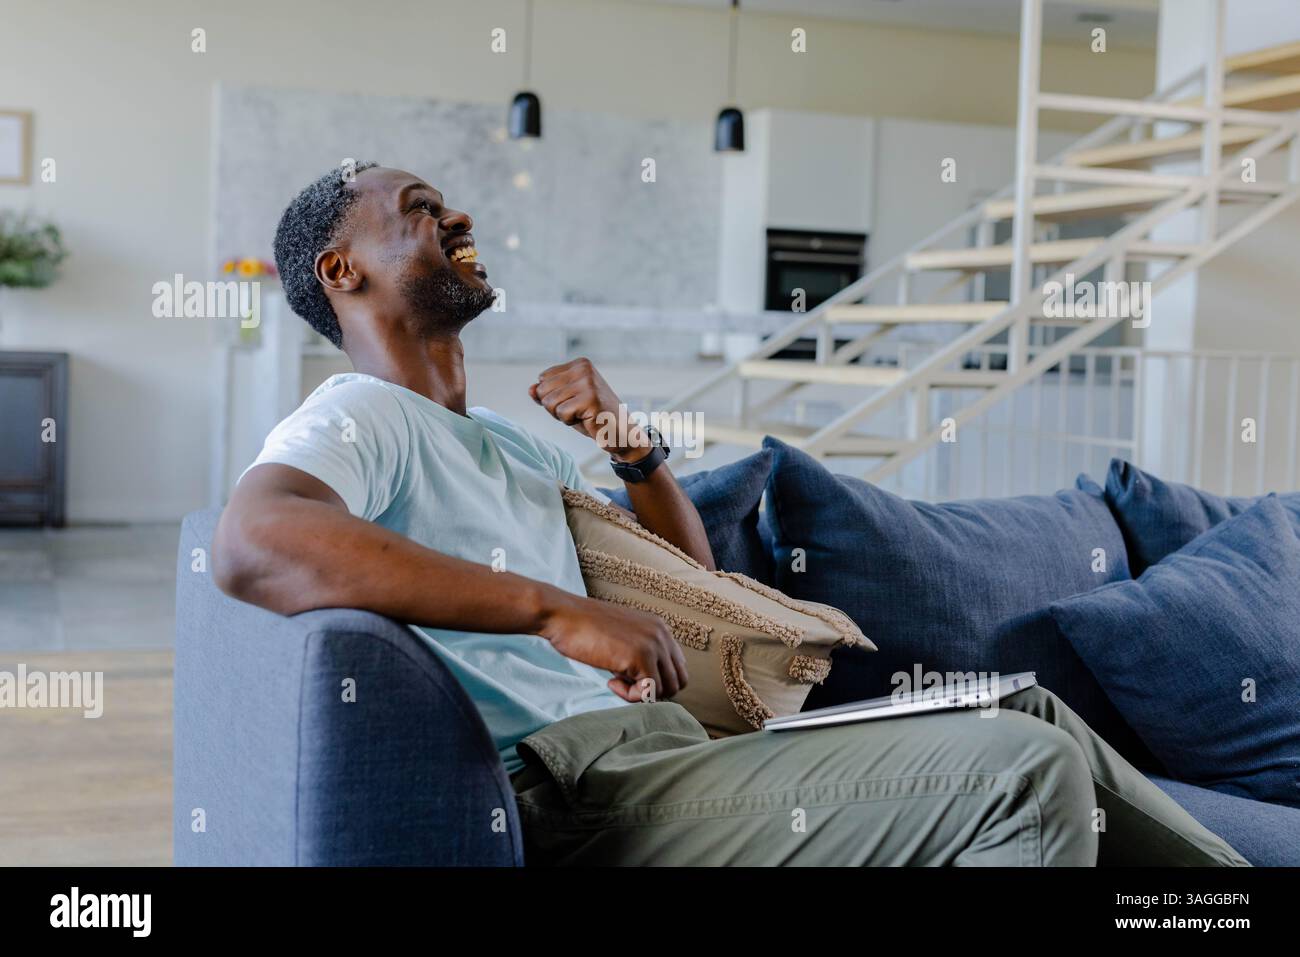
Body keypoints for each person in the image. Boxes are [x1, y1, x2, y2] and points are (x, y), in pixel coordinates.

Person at [212, 164, 1246, 866]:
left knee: (1029, 714)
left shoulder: (501, 438)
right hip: (579, 787)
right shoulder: (361, 414)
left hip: (663, 749)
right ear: (340, 272)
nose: (459, 220)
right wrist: (546, 611)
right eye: (423, 209)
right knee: (1021, 776)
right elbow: (256, 541)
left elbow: (686, 580)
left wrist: (633, 451)